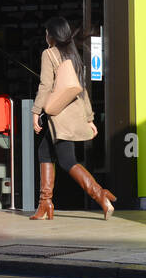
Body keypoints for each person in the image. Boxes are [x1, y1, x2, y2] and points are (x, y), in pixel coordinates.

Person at [29, 16, 116, 221]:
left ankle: (101, 196)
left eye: (47, 32)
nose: (46, 36)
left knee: (67, 161)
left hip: (56, 117)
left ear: (52, 36)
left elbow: (45, 86)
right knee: (44, 153)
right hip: (70, 115)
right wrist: (89, 118)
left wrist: (35, 112)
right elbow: (83, 90)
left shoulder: (48, 54)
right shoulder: (73, 55)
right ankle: (45, 203)